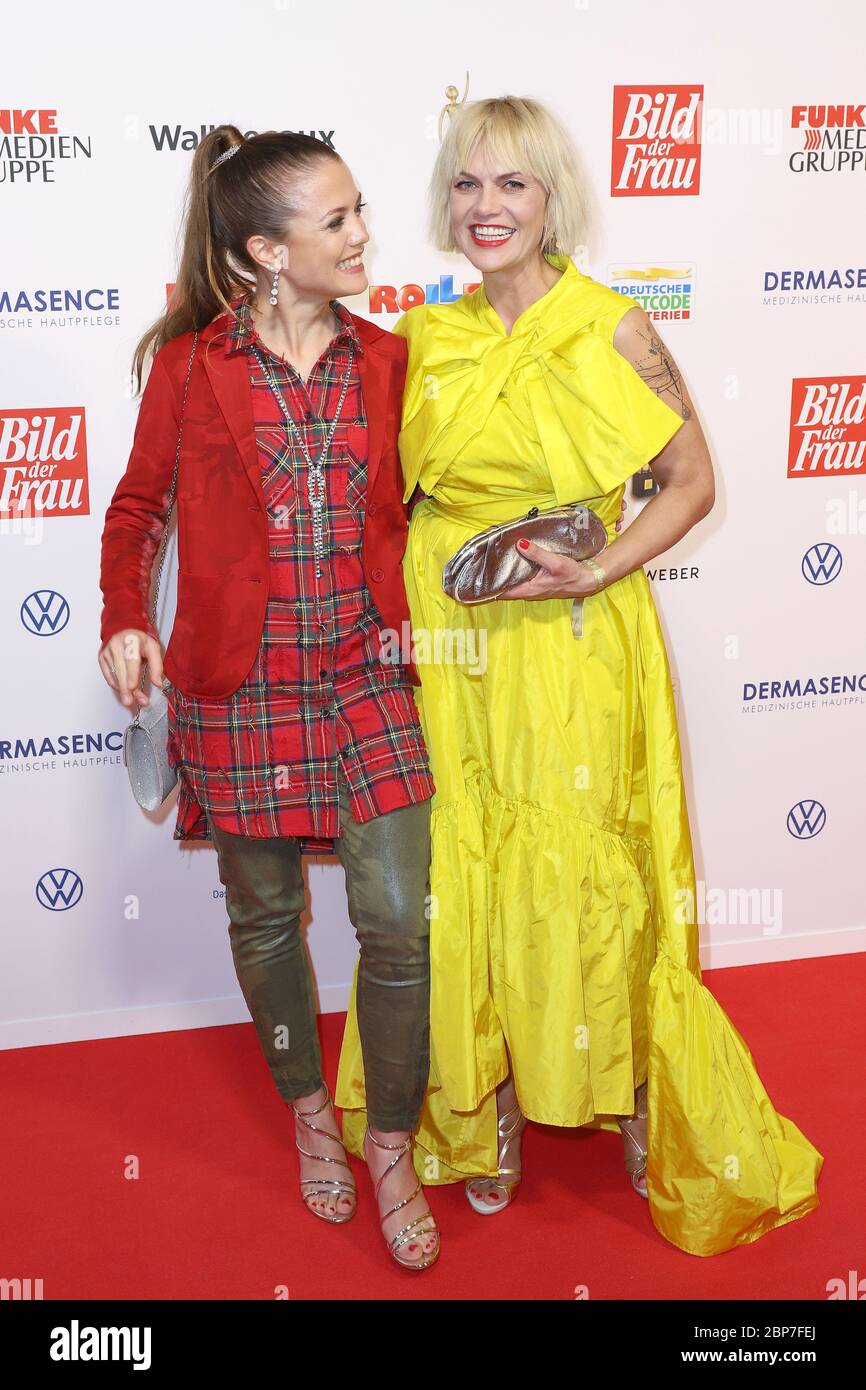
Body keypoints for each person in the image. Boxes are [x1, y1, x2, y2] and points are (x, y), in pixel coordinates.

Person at [335, 96, 823, 1257]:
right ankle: (480, 1106)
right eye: (465, 183)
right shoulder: (425, 337)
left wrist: (590, 569)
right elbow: (387, 498)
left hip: (570, 641)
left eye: (511, 184)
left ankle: (634, 1086)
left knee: (595, 865)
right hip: (454, 656)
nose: (486, 206)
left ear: (552, 198)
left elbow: (691, 480)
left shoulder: (609, 326)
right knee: (469, 870)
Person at [98, 125, 441, 1271]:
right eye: (336, 219)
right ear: (263, 250)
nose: (361, 235)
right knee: (263, 919)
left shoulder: (391, 360)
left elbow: (434, 505)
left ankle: (387, 1137)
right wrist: (123, 617)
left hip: (365, 676)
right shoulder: (191, 368)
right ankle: (309, 1113)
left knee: (396, 924)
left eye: (357, 212)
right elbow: (138, 510)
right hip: (237, 689)